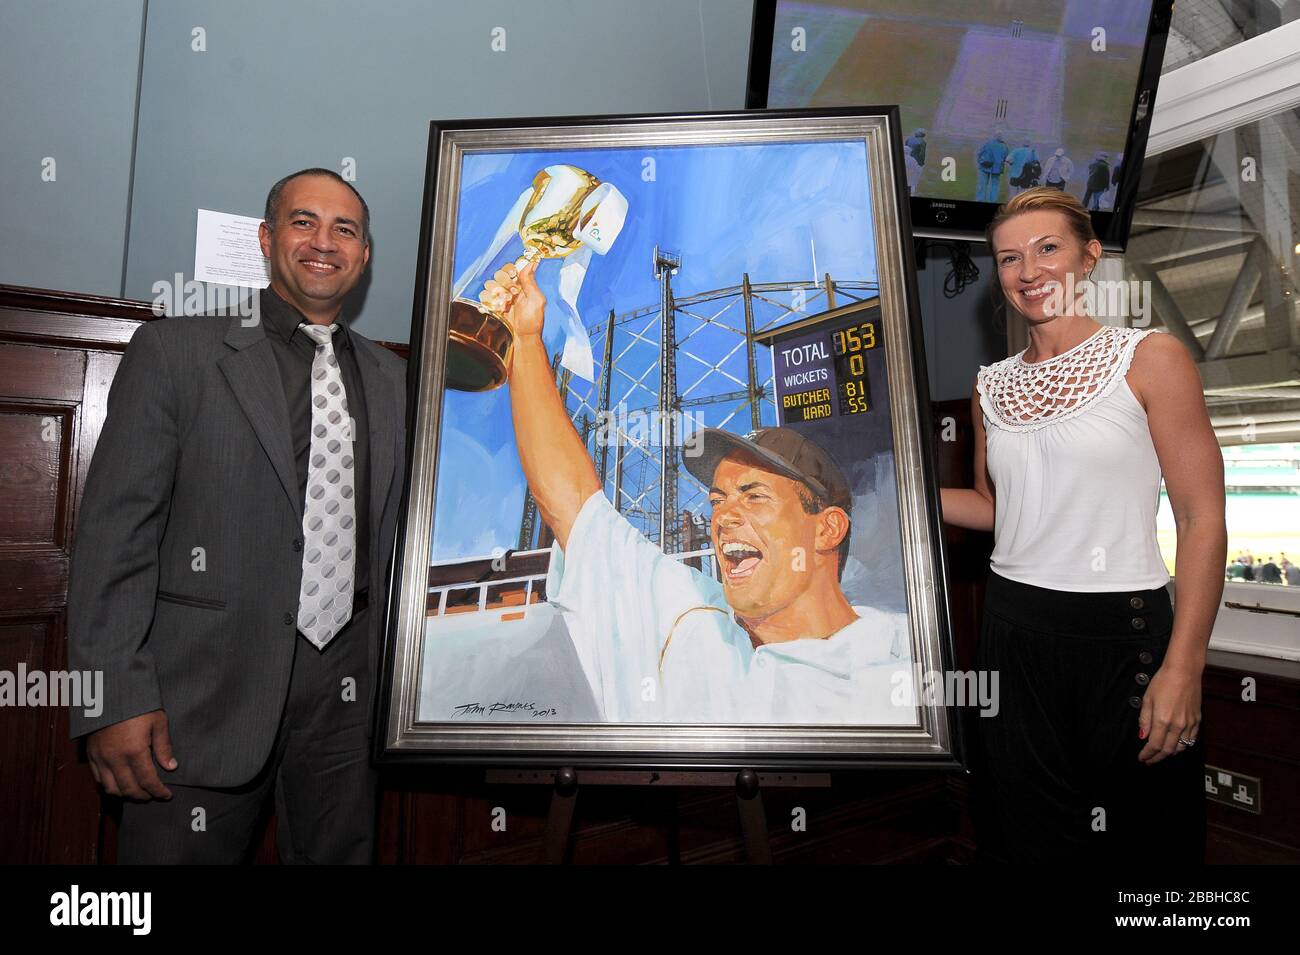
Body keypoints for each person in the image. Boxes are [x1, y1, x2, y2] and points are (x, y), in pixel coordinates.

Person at [66, 168, 408, 863]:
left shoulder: (396, 381)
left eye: (346, 229)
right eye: (303, 221)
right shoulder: (177, 353)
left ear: (364, 256)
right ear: (266, 238)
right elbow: (113, 538)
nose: (324, 241)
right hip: (197, 700)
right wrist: (112, 697)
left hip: (348, 698)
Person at [483, 260, 913, 725]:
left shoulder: (901, 666)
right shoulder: (693, 618)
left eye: (753, 496)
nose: (724, 515)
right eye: (716, 499)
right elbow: (571, 506)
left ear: (827, 528)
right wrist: (525, 341)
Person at [940, 186, 1225, 864]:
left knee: (1148, 841)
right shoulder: (990, 385)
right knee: (1026, 834)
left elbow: (1201, 516)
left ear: (1090, 256)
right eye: (1009, 258)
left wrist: (1184, 663)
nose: (1028, 271)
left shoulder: (1151, 357)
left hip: (1122, 634)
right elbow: (1001, 511)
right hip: (1012, 634)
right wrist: (906, 492)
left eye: (1047, 249)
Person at [975, 131, 1010, 203]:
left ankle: (980, 199)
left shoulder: (988, 143)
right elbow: (1007, 158)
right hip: (997, 169)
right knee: (995, 185)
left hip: (985, 166)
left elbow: (979, 153)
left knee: (983, 184)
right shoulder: (1004, 146)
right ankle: (992, 200)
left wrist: (979, 161)